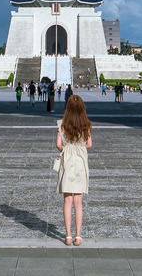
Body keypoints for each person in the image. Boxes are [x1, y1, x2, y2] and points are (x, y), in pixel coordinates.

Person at [55, 95, 92, 246]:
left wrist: (67, 149)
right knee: (78, 201)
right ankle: (78, 235)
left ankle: (68, 236)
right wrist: (78, 148)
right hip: (80, 162)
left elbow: (58, 144)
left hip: (67, 162)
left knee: (67, 200)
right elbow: (89, 144)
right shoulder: (86, 125)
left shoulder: (62, 125)